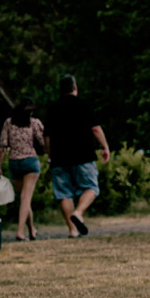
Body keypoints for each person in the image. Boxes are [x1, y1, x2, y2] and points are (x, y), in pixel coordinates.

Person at [43, 74, 110, 238]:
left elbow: (47, 138)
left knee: (63, 193)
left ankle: (72, 230)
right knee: (92, 187)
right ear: (75, 88)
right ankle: (79, 212)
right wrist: (105, 146)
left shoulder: (52, 109)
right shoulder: (83, 105)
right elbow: (95, 129)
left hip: (59, 158)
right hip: (83, 156)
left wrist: (50, 155)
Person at [0, 97, 44, 241]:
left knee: (24, 199)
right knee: (26, 198)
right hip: (30, 161)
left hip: (14, 163)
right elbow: (42, 141)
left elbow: (3, 147)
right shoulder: (34, 123)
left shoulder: (8, 122)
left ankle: (32, 230)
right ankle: (20, 232)